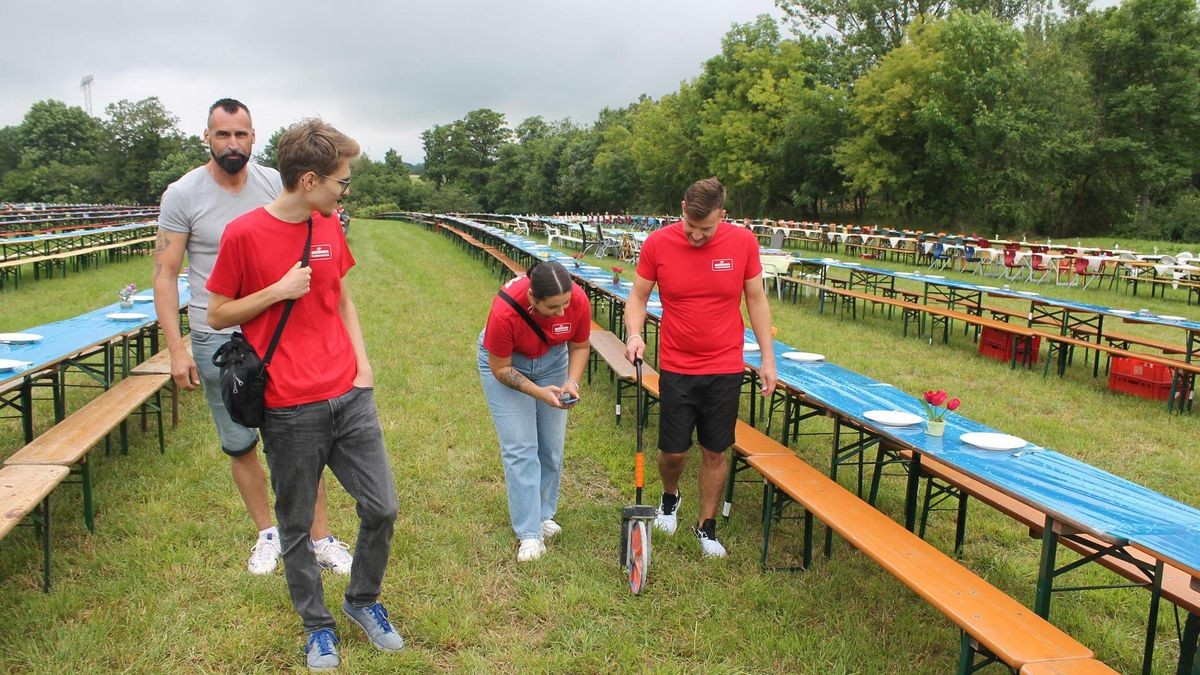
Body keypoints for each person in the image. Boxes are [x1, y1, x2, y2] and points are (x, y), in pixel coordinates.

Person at [206, 118, 402, 670]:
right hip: (289, 406)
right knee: (295, 526)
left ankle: (362, 601)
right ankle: (318, 628)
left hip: (349, 394)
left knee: (381, 507)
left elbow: (341, 299)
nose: (346, 191)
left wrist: (363, 367)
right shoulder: (244, 234)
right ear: (310, 179)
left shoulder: (330, 226)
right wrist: (276, 291)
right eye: (342, 181)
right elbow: (217, 311)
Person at [154, 99, 353, 577]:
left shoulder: (272, 182)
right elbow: (165, 274)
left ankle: (320, 536)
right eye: (222, 134)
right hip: (218, 335)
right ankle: (269, 534)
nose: (232, 143)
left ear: (253, 136)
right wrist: (176, 347)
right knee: (240, 441)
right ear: (207, 137)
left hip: (280, 333)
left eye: (241, 134)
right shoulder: (183, 194)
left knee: (304, 440)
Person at [623, 177, 778, 558]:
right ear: (681, 209)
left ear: (722, 215)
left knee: (716, 450)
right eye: (690, 227)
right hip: (677, 364)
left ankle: (706, 525)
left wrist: (767, 358)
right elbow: (638, 296)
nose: (695, 235)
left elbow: (756, 300)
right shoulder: (658, 243)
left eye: (705, 228)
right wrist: (633, 333)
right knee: (672, 452)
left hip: (725, 364)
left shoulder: (743, 243)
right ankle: (670, 497)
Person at [477, 261, 591, 562]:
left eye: (566, 303)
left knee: (551, 447)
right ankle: (529, 534)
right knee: (521, 447)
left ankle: (542, 514)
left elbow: (580, 346)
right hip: (507, 364)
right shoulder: (505, 311)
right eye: (553, 307)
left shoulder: (577, 299)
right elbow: (501, 368)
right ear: (532, 299)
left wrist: (571, 381)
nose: (562, 313)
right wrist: (538, 393)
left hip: (553, 362)